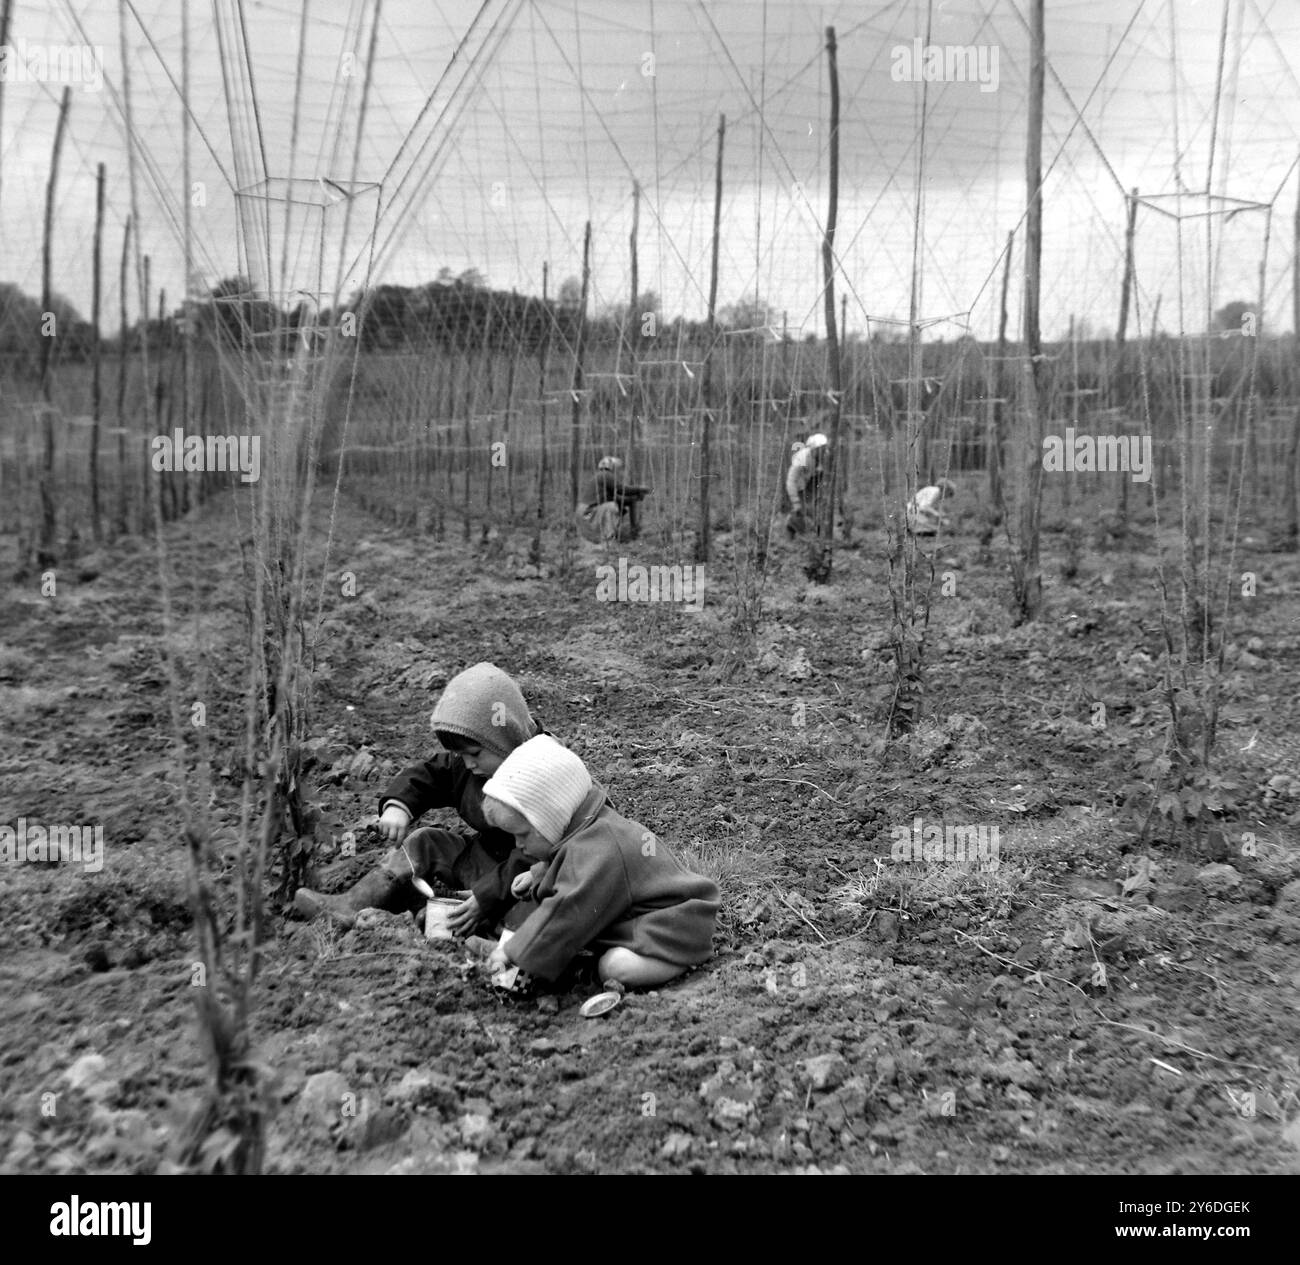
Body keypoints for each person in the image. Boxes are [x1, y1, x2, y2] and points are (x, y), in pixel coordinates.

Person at [293, 662, 541, 935]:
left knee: (520, 917)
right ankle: (355, 904)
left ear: (504, 738)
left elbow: (533, 856)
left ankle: (466, 924)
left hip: (523, 879)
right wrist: (399, 806)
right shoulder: (475, 762)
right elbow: (431, 774)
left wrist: (486, 896)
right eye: (462, 755)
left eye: (474, 754)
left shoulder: (540, 775)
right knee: (426, 840)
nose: (468, 764)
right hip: (481, 860)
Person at [479, 735, 719, 989]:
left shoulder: (599, 848)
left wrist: (511, 953)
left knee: (614, 967)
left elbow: (567, 908)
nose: (518, 845)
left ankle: (677, 964)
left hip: (673, 929)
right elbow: (566, 862)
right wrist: (539, 873)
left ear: (550, 817)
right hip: (645, 921)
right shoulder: (587, 828)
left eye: (522, 834)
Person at [575, 455, 651, 544]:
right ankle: (609, 539)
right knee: (612, 507)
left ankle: (614, 537)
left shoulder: (599, 476)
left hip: (583, 512)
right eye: (617, 468)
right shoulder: (605, 475)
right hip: (588, 512)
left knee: (614, 505)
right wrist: (640, 489)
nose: (617, 471)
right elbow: (621, 489)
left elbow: (617, 497)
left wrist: (634, 498)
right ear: (611, 467)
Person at [785, 432, 829, 538]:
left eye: (824, 448)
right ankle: (791, 529)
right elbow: (791, 480)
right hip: (799, 485)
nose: (823, 450)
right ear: (814, 449)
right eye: (820, 448)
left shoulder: (826, 456)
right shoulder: (802, 458)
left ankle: (817, 535)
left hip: (813, 484)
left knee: (814, 512)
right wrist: (795, 501)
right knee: (800, 510)